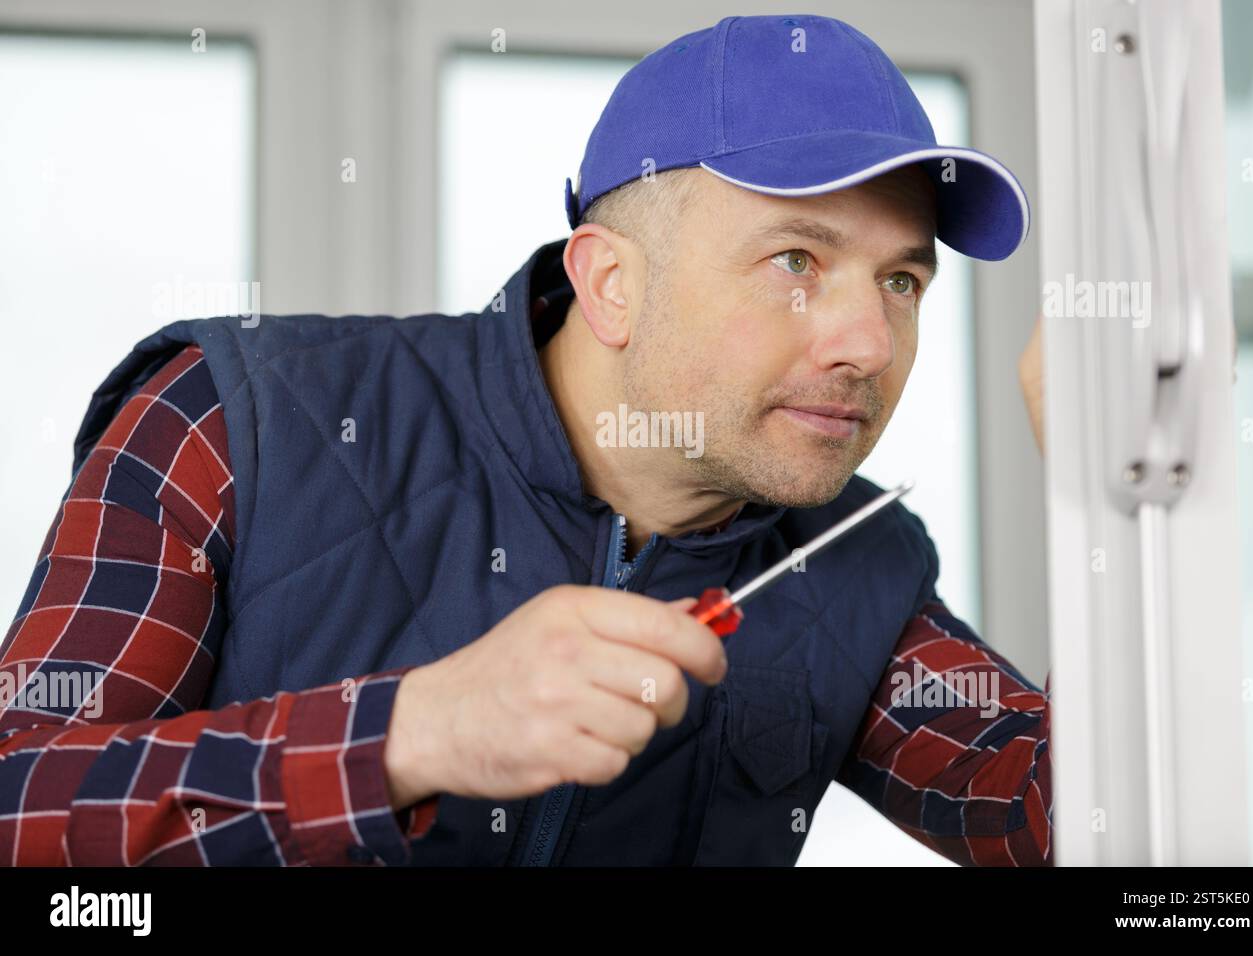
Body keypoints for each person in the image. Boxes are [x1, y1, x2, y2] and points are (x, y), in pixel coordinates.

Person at [0, 13, 1050, 866]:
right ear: (610, 284)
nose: (870, 342)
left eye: (901, 280)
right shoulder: (237, 421)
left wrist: (1120, 498)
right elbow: (21, 810)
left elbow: (1096, 833)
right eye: (795, 261)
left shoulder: (859, 559)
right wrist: (412, 734)